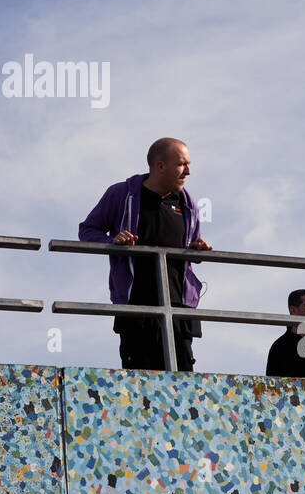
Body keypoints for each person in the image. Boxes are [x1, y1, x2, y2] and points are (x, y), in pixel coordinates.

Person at [78, 138, 211, 370]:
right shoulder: (121, 194)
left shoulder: (189, 205)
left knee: (183, 387)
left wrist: (196, 249)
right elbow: (87, 230)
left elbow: (191, 251)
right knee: (140, 387)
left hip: (179, 310)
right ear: (160, 166)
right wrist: (112, 241)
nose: (188, 171)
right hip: (136, 309)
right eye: (181, 164)